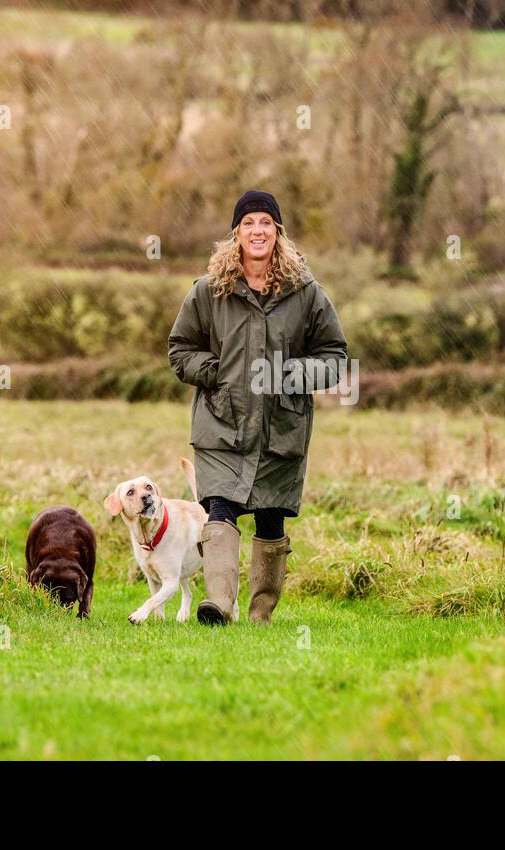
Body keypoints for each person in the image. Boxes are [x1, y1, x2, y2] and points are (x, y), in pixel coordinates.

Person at [167, 189, 348, 625]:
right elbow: (181, 350)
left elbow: (334, 358)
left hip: (280, 429)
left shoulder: (306, 292)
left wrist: (289, 376)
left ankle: (259, 616)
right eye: (248, 223)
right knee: (220, 509)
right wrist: (218, 374)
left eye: (266, 222)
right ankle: (219, 606)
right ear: (236, 233)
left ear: (278, 232)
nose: (257, 230)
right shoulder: (210, 291)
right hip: (222, 424)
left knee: (270, 519)